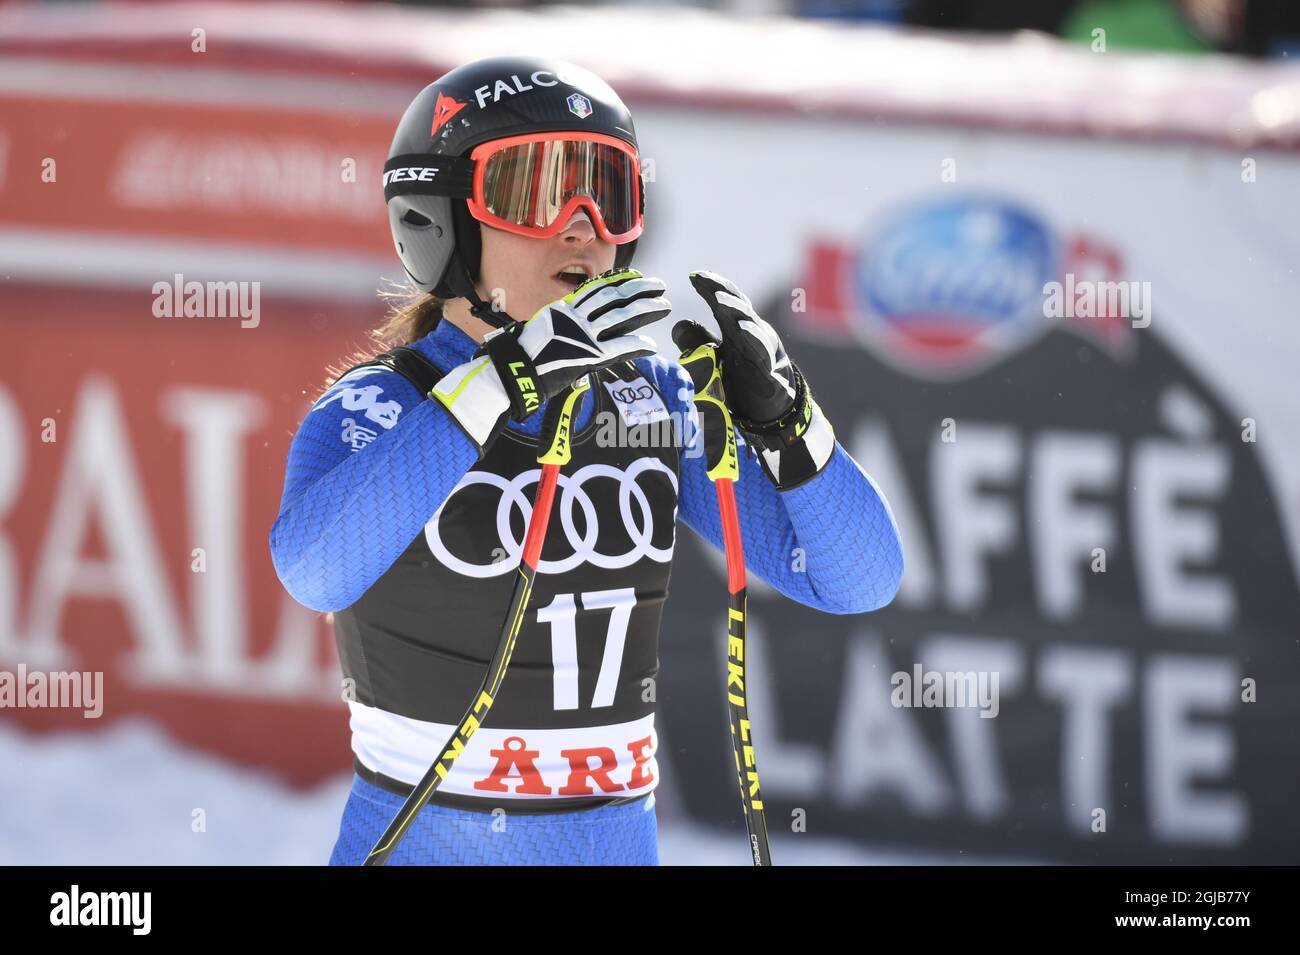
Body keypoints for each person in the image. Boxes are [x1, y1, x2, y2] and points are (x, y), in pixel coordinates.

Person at [269, 55, 904, 865]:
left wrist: (792, 425)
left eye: (606, 193)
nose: (582, 227)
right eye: (533, 191)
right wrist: (504, 380)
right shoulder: (384, 403)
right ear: (439, 218)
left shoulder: (653, 399)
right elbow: (313, 569)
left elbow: (859, 577)